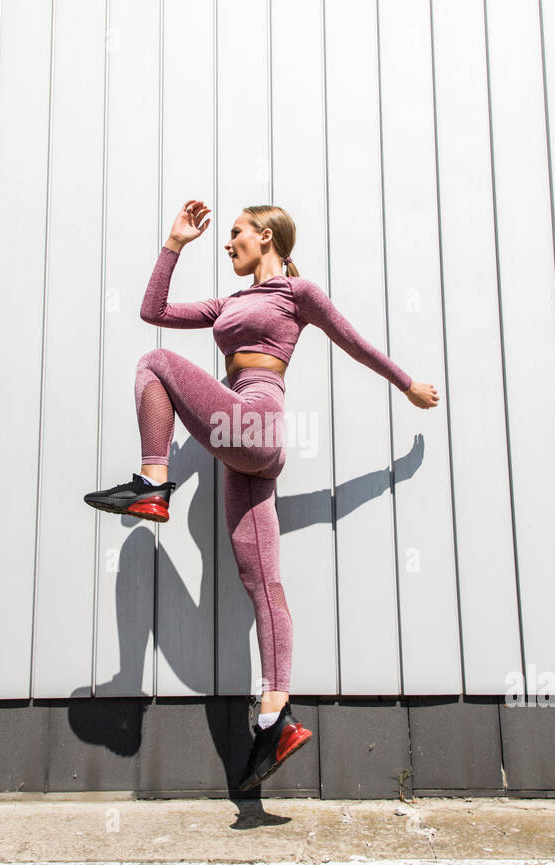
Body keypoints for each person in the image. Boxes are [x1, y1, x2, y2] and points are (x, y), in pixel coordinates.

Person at [85, 200, 440, 790]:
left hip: (259, 422)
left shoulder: (296, 294)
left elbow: (354, 342)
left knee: (155, 363)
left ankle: (151, 483)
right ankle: (276, 716)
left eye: (235, 234)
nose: (227, 245)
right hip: (240, 446)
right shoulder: (227, 304)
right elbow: (154, 310)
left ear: (267, 236)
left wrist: (407, 386)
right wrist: (174, 244)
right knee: (262, 581)